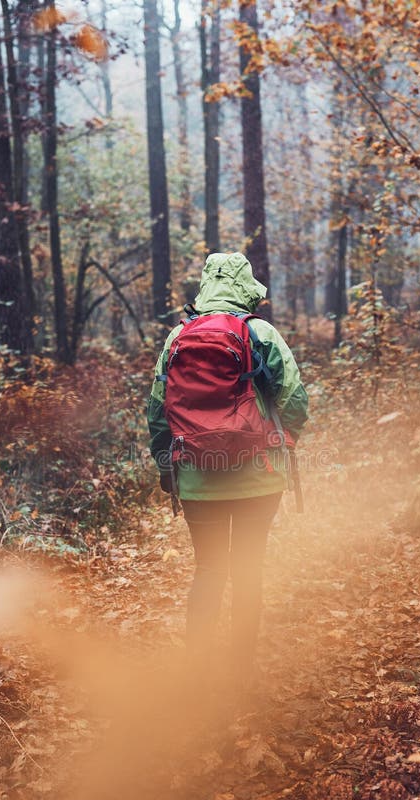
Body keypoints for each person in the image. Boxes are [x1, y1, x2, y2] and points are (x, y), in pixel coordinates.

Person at [147, 252, 308, 685]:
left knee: (209, 569)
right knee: (248, 570)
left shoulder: (178, 337)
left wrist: (167, 465)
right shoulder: (260, 332)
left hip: (198, 478)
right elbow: (295, 400)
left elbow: (157, 411)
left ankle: (197, 673)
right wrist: (282, 441)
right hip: (260, 477)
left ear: (205, 284)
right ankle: (241, 673)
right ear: (247, 284)